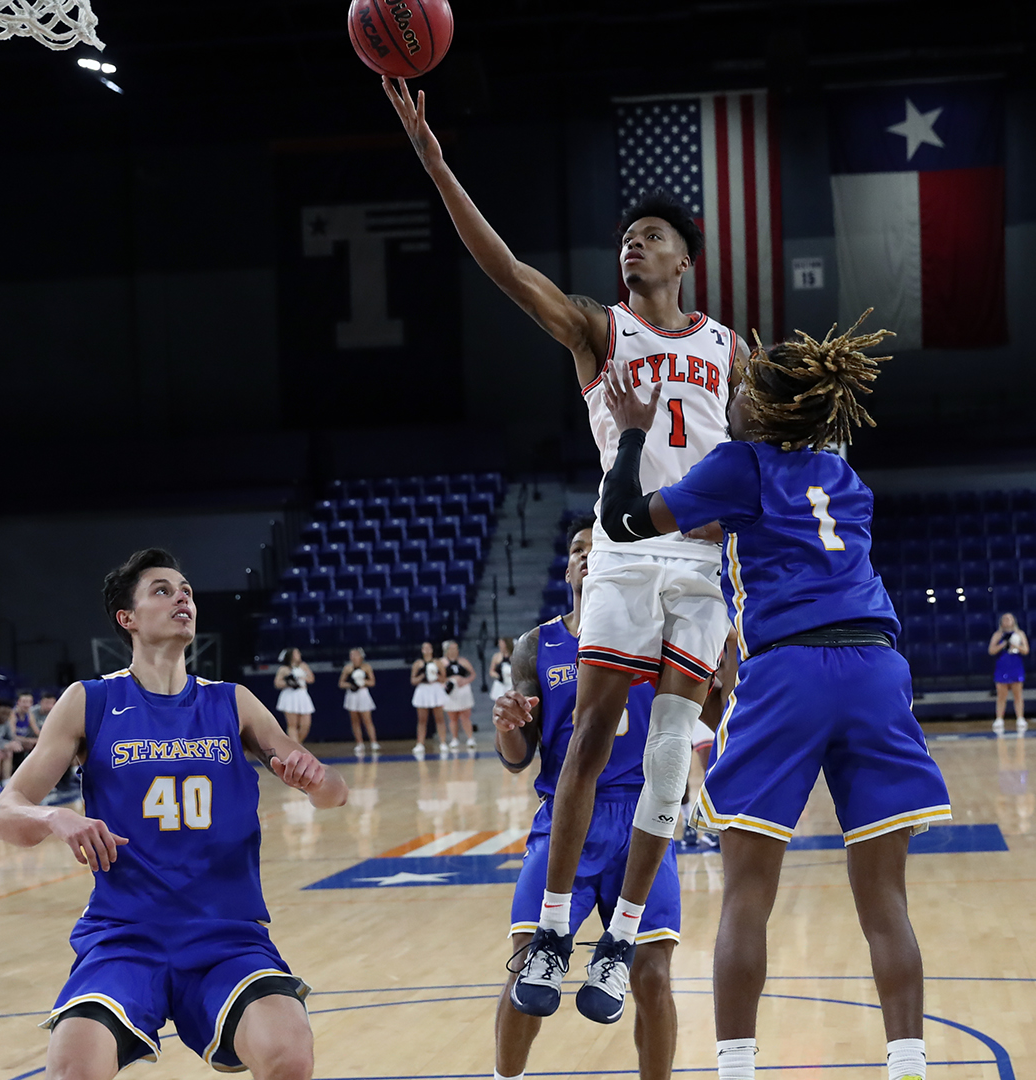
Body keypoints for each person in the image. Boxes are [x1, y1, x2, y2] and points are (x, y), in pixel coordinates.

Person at [386, 79, 739, 1021]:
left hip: (701, 564)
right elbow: (507, 270)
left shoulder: (727, 346)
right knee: (587, 737)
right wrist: (435, 162)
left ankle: (618, 941)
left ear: (685, 261)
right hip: (624, 551)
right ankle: (551, 931)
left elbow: (759, 455)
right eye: (629, 237)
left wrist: (739, 512)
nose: (636, 243)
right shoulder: (599, 327)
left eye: (654, 236)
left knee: (671, 754)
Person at [593, 313, 953, 1080]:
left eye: (744, 385)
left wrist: (630, 432)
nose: (731, 388)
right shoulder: (843, 477)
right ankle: (910, 1067)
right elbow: (779, 498)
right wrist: (769, 398)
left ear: (766, 409)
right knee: (885, 898)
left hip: (791, 671)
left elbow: (625, 522)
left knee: (747, 896)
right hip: (877, 669)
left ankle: (736, 1069)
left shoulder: (738, 464)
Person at [0, 548, 347, 1079]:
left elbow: (334, 793)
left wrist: (314, 781)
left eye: (187, 590)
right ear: (126, 619)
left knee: (290, 1055)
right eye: (162, 589)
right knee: (72, 1068)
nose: (183, 597)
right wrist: (56, 818)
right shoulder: (90, 701)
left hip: (225, 936)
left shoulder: (234, 702)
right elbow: (4, 815)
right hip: (125, 935)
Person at [490, 521, 680, 1066]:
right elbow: (518, 757)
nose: (588, 558)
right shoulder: (537, 645)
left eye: (601, 549)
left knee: (651, 975)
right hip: (566, 819)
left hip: (643, 821)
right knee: (529, 966)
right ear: (569, 568)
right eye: (578, 550)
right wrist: (507, 724)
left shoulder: (660, 637)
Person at [987, 614, 1028, 735]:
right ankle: (999, 719)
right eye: (1004, 619)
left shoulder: (1020, 633)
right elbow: (991, 650)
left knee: (1018, 694)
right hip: (1003, 665)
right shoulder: (998, 635)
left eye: (1009, 618)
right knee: (1001, 695)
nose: (1007, 621)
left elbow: (1026, 650)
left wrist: (1015, 645)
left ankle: (1020, 718)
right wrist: (1003, 644)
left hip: (1016, 664)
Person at [272, 648, 316, 746]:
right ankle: (296, 748)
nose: (299, 654)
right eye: (296, 653)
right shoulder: (283, 669)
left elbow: (311, 678)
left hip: (302, 695)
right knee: (292, 725)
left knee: (306, 724)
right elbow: (277, 683)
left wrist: (300, 678)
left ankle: (297, 744)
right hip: (290, 696)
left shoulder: (303, 666)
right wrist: (289, 683)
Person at [410, 641, 446, 760]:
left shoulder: (438, 662)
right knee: (422, 720)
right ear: (422, 650)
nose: (426, 650)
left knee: (439, 718)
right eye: (424, 648)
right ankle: (420, 744)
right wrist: (422, 675)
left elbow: (443, 678)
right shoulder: (418, 663)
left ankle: (443, 742)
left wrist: (435, 676)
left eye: (428, 648)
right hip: (423, 690)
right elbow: (413, 680)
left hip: (435, 689)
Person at [340, 648, 379, 756]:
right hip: (352, 695)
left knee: (367, 719)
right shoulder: (347, 668)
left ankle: (373, 742)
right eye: (352, 655)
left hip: (363, 694)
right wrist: (351, 685)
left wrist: (362, 682)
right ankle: (359, 743)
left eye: (356, 655)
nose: (354, 657)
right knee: (355, 720)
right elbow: (341, 683)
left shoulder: (366, 667)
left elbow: (372, 682)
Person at [440, 640, 477, 752]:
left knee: (465, 715)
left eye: (456, 648)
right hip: (451, 690)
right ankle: (454, 738)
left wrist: (465, 681)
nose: (454, 651)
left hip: (463, 690)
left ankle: (470, 738)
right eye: (451, 649)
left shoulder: (463, 661)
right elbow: (439, 677)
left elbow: (473, 674)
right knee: (453, 717)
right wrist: (448, 681)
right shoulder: (442, 663)